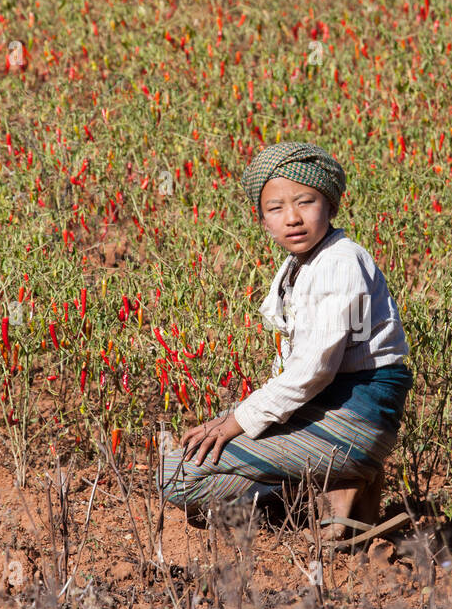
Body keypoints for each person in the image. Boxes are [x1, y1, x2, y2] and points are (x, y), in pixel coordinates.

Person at [158, 141, 413, 546]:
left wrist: (236, 419)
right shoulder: (303, 263)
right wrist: (239, 418)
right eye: (276, 208)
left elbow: (313, 369)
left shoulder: (339, 264)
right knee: (193, 453)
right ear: (262, 221)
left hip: (356, 413)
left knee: (178, 475)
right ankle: (339, 485)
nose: (292, 218)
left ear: (330, 205)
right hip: (332, 406)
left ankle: (322, 494)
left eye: (305, 201)